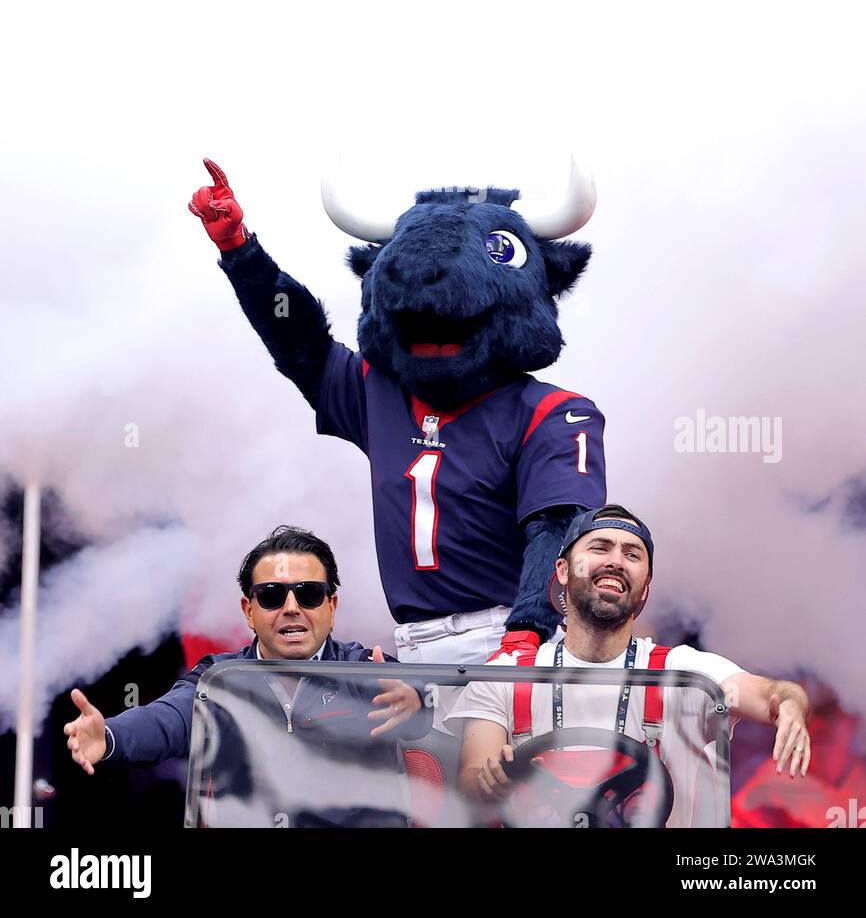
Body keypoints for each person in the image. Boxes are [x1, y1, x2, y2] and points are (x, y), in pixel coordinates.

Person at [188, 159, 606, 681]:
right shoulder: (379, 392)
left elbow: (561, 533)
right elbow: (301, 346)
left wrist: (527, 634)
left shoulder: (553, 413)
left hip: (512, 641)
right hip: (413, 648)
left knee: (491, 765)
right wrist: (241, 251)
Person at [447, 504, 811, 827]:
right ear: (561, 570)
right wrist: (491, 782)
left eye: (632, 554)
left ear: (645, 586)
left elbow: (769, 693)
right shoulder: (509, 672)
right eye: (599, 547)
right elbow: (471, 783)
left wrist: (790, 705)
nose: (616, 561)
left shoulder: (680, 671)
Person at [64, 526, 431, 795]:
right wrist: (109, 736)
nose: (291, 608)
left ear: (331, 607)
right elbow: (169, 720)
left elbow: (418, 703)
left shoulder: (364, 670)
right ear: (249, 611)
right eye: (272, 596)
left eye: (309, 594)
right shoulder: (221, 679)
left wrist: (415, 702)